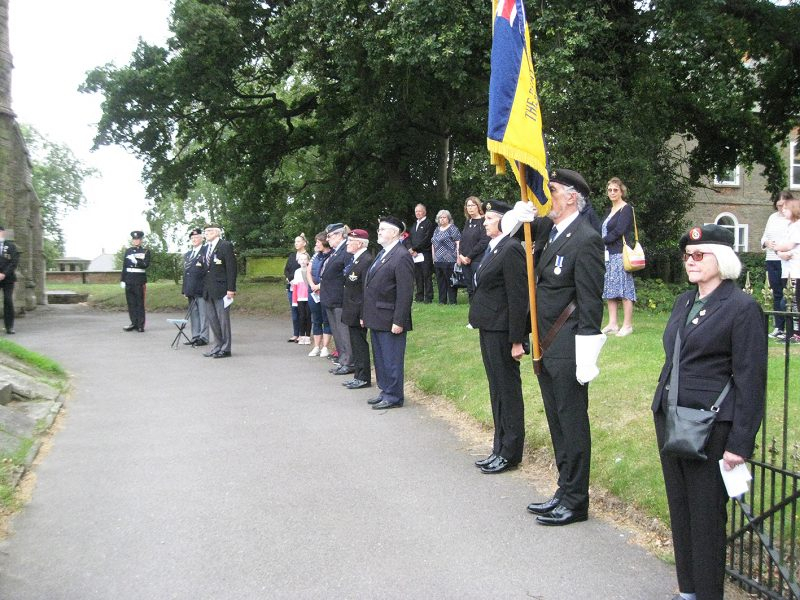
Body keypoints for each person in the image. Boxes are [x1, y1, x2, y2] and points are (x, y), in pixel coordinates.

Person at [652, 224, 766, 600]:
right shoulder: (684, 302)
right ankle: (688, 590)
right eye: (687, 255)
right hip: (672, 418)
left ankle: (707, 593)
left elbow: (750, 379)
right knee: (680, 509)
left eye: (700, 255)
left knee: (706, 517)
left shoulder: (742, 308)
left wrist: (740, 442)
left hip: (711, 426)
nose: (691, 261)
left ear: (723, 259)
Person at [523, 168, 605, 526]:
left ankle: (576, 500)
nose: (546, 197)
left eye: (552, 190)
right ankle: (564, 489)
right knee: (557, 422)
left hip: (568, 345)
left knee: (572, 424)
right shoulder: (553, 232)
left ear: (572, 197)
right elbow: (515, 235)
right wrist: (516, 217)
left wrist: (586, 353)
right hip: (545, 344)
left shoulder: (586, 239)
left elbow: (590, 301)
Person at [469, 200, 528, 474]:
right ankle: (499, 447)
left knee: (508, 391)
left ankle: (510, 451)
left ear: (505, 221)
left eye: (490, 218)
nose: (485, 223)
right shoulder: (495, 247)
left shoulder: (512, 248)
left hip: (503, 331)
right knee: (496, 390)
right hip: (489, 327)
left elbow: (518, 297)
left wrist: (517, 339)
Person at [362, 216, 414, 409]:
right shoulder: (383, 253)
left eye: (383, 229)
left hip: (390, 316)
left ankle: (393, 396)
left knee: (392, 359)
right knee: (381, 358)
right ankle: (385, 390)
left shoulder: (401, 256)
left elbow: (405, 292)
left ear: (394, 233)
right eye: (379, 229)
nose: (379, 232)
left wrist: (399, 320)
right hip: (377, 315)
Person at [600, 177, 636, 337]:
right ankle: (613, 323)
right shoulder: (609, 210)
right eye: (610, 190)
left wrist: (601, 241)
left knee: (625, 288)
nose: (612, 192)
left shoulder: (626, 209)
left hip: (621, 253)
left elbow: (619, 230)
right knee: (610, 288)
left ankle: (627, 325)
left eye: (615, 190)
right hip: (608, 254)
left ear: (622, 191)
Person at [340, 229, 374, 390]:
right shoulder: (356, 259)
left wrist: (363, 313)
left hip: (358, 310)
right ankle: (358, 376)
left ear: (359, 243)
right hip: (351, 309)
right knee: (355, 343)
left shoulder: (366, 260)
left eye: (350, 241)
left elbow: (366, 290)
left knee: (360, 344)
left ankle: (363, 377)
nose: (347, 244)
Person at [320, 223, 354, 375]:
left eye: (329, 236)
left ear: (339, 235)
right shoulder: (336, 252)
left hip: (340, 298)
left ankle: (349, 361)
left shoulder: (346, 251)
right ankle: (342, 359)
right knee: (337, 332)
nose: (327, 239)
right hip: (331, 298)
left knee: (343, 332)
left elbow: (349, 275)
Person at [201, 224, 237, 358]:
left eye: (209, 231)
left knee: (223, 321)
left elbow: (231, 268)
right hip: (208, 290)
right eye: (205, 231)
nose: (206, 233)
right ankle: (217, 346)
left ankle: (226, 348)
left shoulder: (225, 246)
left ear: (217, 232)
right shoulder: (206, 248)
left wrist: (231, 289)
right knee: (213, 320)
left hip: (222, 289)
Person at [768, 193, 800, 341]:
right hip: (786, 270)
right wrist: (779, 252)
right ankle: (790, 332)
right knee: (787, 302)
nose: (783, 211)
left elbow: (789, 245)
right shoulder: (789, 226)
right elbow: (783, 248)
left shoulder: (797, 226)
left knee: (792, 303)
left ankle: (796, 333)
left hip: (795, 271)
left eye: (786, 209)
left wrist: (777, 248)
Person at [760, 191, 792, 338]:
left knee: (789, 295)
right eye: (779, 205)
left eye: (784, 205)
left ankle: (791, 329)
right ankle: (779, 327)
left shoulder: (794, 218)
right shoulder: (772, 218)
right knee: (776, 293)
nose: (781, 208)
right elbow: (764, 237)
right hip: (772, 258)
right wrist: (766, 242)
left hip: (787, 260)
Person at [457, 196, 489, 302]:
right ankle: (472, 309)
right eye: (468, 205)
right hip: (465, 261)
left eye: (472, 205)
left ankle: (479, 309)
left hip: (477, 259)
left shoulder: (483, 221)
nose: (470, 208)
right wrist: (461, 255)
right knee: (469, 288)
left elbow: (483, 242)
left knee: (477, 287)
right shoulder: (468, 222)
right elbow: (462, 240)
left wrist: (469, 256)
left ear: (478, 206)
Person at [307, 232, 333, 357]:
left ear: (324, 242)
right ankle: (316, 346)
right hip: (313, 291)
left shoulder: (333, 255)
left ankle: (325, 347)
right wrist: (312, 285)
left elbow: (332, 275)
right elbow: (308, 271)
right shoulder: (315, 255)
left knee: (326, 319)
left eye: (318, 242)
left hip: (326, 291)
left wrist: (320, 286)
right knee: (316, 319)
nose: (316, 244)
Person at [181, 227, 209, 346]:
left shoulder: (206, 251)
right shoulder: (188, 254)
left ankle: (204, 337)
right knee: (194, 314)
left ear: (202, 238)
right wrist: (184, 289)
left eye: (197, 237)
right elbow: (186, 273)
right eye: (192, 237)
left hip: (201, 288)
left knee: (203, 314)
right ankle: (195, 336)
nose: (194, 239)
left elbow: (207, 272)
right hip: (191, 288)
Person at [120, 230, 151, 332]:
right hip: (129, 279)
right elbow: (124, 266)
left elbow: (145, 265)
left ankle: (140, 325)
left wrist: (136, 261)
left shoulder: (145, 251)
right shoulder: (128, 251)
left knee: (139, 303)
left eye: (138, 239)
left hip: (139, 280)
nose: (136, 241)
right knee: (131, 303)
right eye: (134, 239)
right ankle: (133, 323)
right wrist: (123, 280)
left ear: (141, 240)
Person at [431, 209, 462, 305]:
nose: (442, 219)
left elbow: (458, 243)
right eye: (440, 217)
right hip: (438, 260)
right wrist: (433, 257)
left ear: (448, 218)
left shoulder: (453, 228)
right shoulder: (437, 229)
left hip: (450, 259)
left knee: (451, 281)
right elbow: (433, 244)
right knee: (440, 282)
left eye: (444, 217)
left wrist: (458, 257)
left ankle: (452, 301)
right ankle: (442, 301)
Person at [408, 203, 435, 303]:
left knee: (426, 276)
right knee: (418, 276)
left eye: (419, 211)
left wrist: (415, 249)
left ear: (424, 212)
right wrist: (410, 249)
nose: (418, 213)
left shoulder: (428, 224)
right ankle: (419, 297)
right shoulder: (414, 224)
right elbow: (409, 238)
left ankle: (428, 297)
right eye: (416, 211)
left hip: (425, 254)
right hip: (414, 255)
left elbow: (427, 239)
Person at [284, 234, 308, 343]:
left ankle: (303, 334)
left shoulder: (307, 256)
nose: (296, 243)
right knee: (294, 310)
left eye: (298, 241)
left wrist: (295, 279)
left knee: (302, 312)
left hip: (302, 288)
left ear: (304, 243)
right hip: (291, 286)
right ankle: (295, 333)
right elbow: (286, 269)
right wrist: (289, 279)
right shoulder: (292, 256)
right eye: (295, 242)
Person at [0, 226, 19, 334]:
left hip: (8, 278)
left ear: (3, 233)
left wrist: (4, 274)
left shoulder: (11, 246)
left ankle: (9, 327)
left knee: (8, 300)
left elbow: (14, 262)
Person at [290, 253, 311, 345]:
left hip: (309, 297)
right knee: (301, 316)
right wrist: (294, 300)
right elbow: (295, 287)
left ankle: (308, 336)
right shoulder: (297, 272)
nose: (303, 261)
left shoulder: (310, 270)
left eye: (305, 259)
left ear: (308, 261)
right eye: (301, 259)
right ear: (298, 261)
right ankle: (301, 335)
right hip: (300, 298)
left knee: (308, 316)